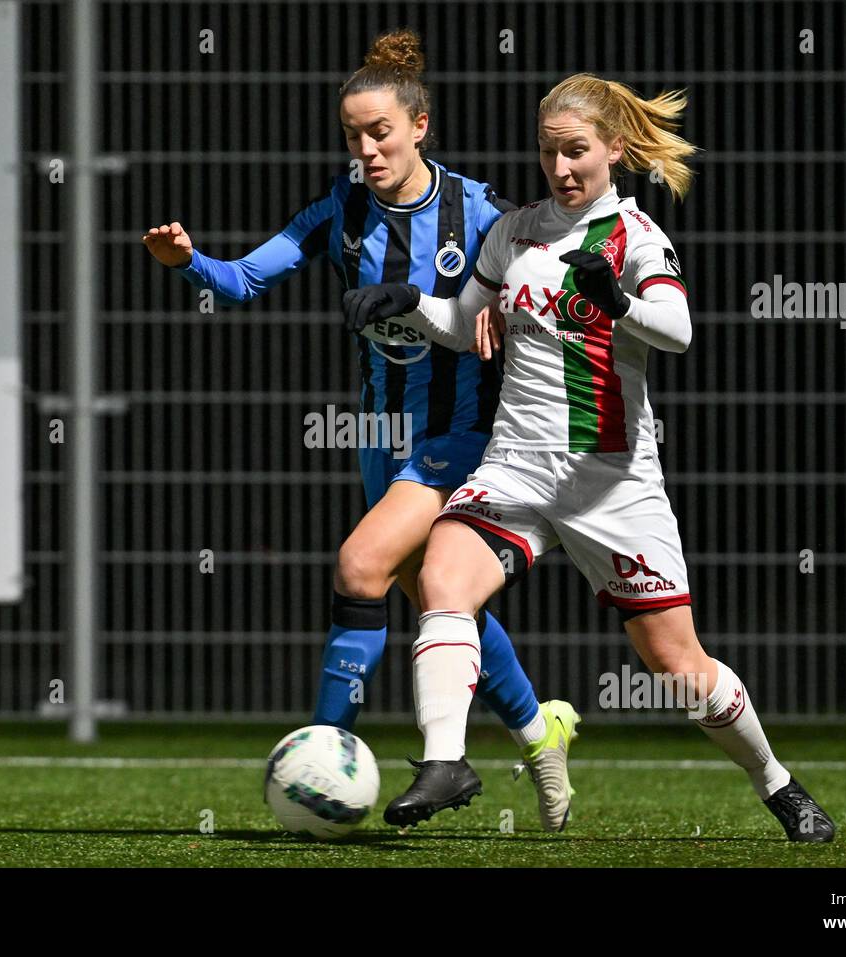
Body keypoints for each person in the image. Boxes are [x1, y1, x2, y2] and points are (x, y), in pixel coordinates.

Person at [342, 72, 836, 841]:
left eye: (575, 152)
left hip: (611, 482)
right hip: (517, 465)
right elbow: (466, 320)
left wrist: (620, 302)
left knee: (679, 668)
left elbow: (678, 331)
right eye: (549, 153)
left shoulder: (634, 236)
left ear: (613, 149)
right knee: (442, 574)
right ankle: (447, 760)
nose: (561, 168)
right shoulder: (516, 232)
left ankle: (777, 782)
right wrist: (409, 304)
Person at [143, 31, 579, 831]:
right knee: (443, 600)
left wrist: (510, 314)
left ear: (420, 126)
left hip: (461, 435)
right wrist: (189, 262)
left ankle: (326, 752)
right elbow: (243, 279)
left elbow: (544, 271)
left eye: (381, 131)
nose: (367, 148)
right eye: (353, 134)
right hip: (380, 439)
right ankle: (537, 731)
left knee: (359, 564)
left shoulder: (478, 212)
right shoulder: (338, 211)